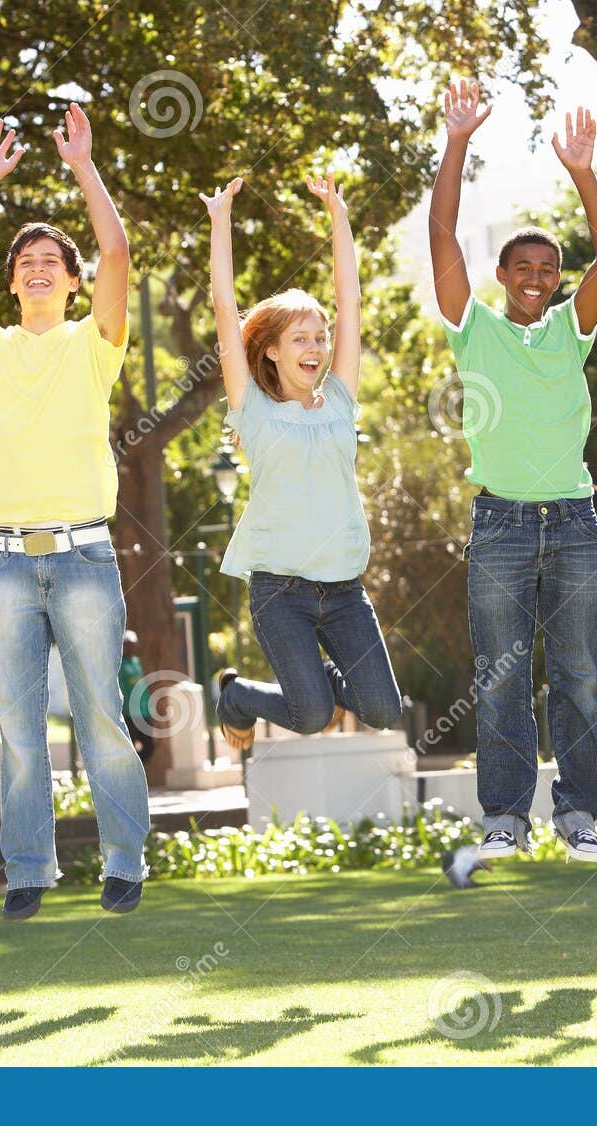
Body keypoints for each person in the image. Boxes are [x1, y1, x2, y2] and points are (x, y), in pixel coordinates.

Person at [0, 110, 149, 920]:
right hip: (7, 564)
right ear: (13, 281)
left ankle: (125, 861)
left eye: (53, 259)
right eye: (26, 261)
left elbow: (119, 253)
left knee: (100, 718)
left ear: (73, 279)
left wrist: (84, 167)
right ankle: (29, 870)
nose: (38, 268)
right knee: (20, 729)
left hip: (86, 556)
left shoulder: (97, 342)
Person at [428, 80, 597, 864]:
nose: (538, 275)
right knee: (501, 678)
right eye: (523, 265)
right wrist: (457, 142)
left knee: (578, 675)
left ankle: (580, 815)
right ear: (504, 274)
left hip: (574, 522)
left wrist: (582, 169)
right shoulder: (472, 329)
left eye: (549, 266)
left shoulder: (572, 331)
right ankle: (504, 819)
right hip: (501, 522)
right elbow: (442, 232)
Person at [202, 173, 402, 747]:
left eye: (320, 337)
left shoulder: (340, 396)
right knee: (313, 716)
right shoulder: (254, 410)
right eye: (300, 339)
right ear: (270, 349)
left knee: (383, 709)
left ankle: (313, 683)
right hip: (280, 592)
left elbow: (351, 297)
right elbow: (224, 304)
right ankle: (238, 694)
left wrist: (338, 213)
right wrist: (221, 221)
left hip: (343, 590)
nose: (315, 347)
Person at [119, 631, 155, 766]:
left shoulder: (136, 662)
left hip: (143, 712)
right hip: (128, 713)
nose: (130, 647)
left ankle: (134, 768)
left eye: (132, 644)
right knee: (130, 745)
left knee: (149, 746)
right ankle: (129, 772)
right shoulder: (118, 664)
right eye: (127, 644)